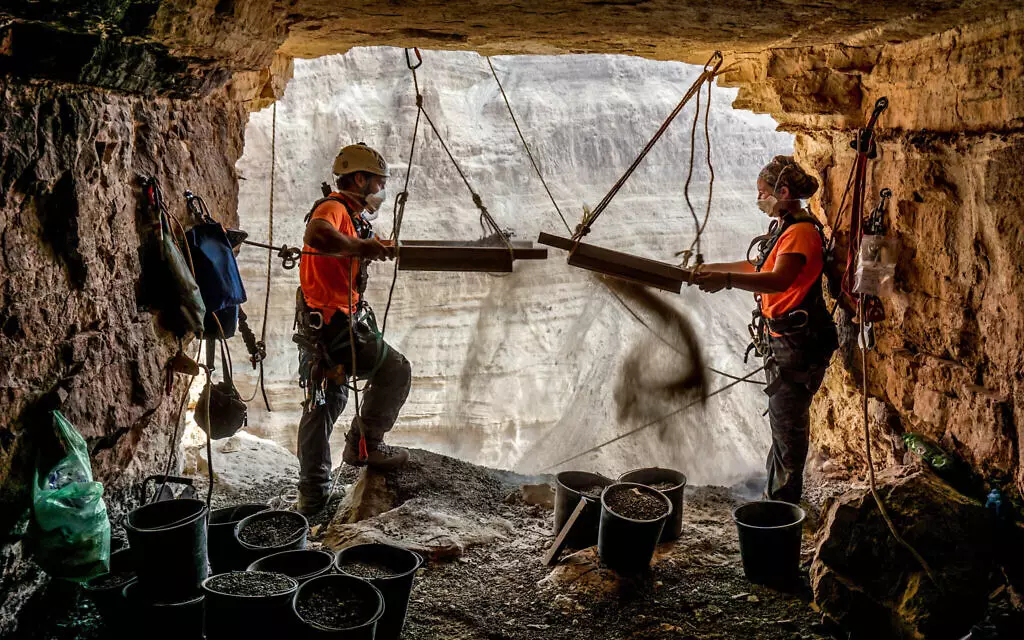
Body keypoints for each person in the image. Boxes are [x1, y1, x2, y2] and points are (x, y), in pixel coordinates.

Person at [693, 155, 838, 504]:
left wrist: (726, 281)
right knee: (782, 422)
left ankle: (783, 509)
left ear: (782, 191)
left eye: (762, 193)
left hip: (798, 343)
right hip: (785, 339)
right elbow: (758, 265)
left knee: (788, 426)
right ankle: (777, 499)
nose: (759, 199)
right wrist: (708, 268)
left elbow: (779, 279)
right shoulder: (785, 228)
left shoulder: (801, 233)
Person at [294, 142, 413, 515]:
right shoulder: (333, 209)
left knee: (326, 404)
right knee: (395, 370)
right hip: (332, 328)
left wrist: (369, 246)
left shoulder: (350, 215)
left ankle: (313, 495)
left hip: (327, 326)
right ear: (359, 178)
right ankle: (366, 444)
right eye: (376, 183)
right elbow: (317, 235)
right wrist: (363, 247)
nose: (379, 191)